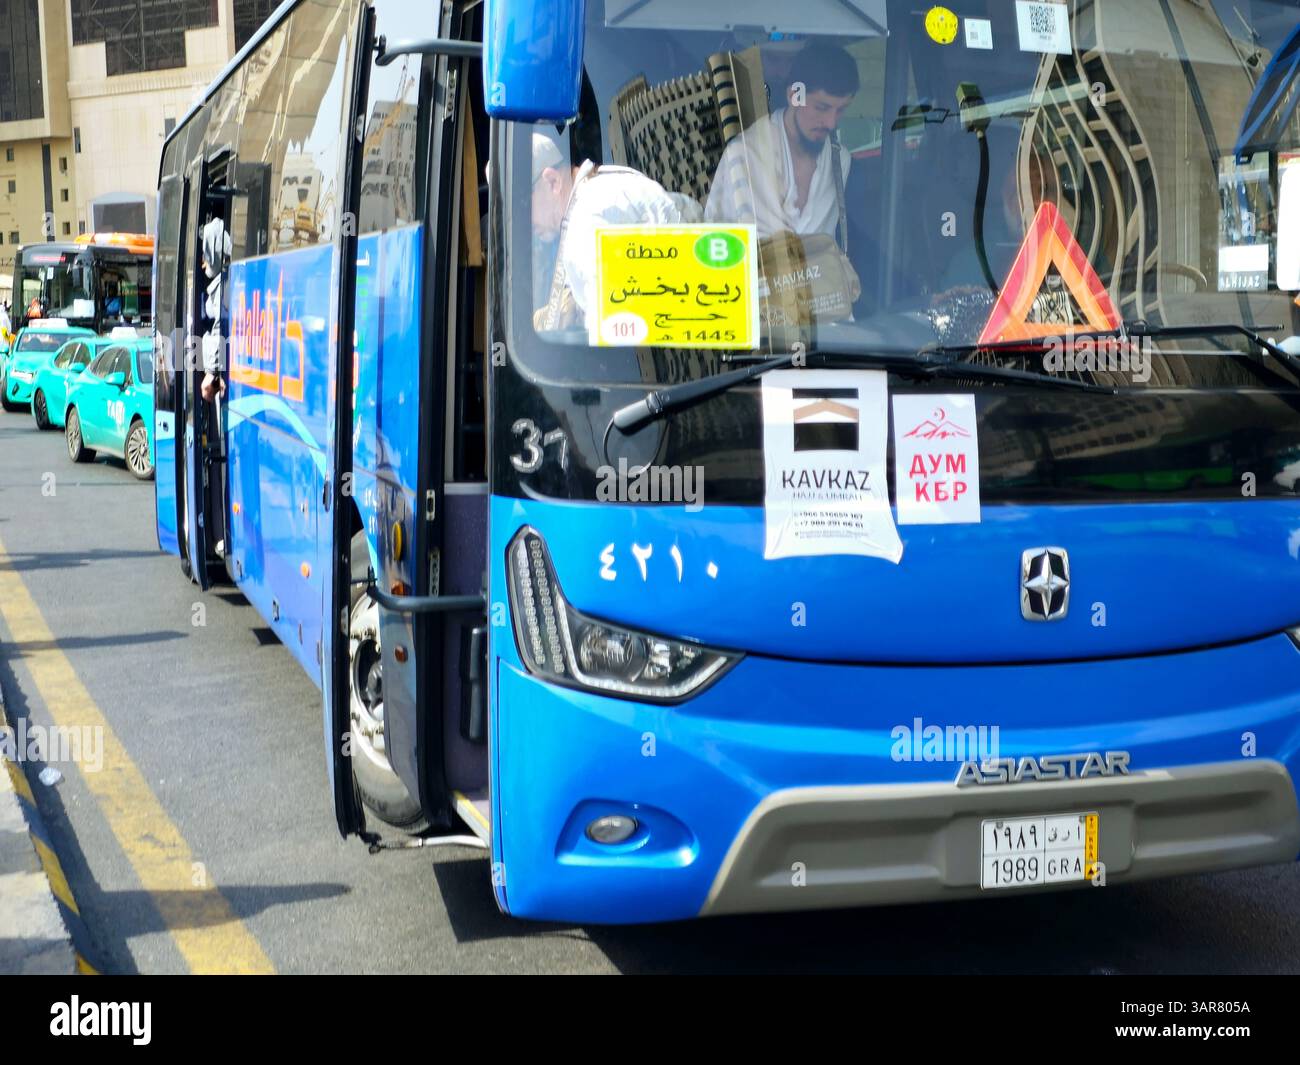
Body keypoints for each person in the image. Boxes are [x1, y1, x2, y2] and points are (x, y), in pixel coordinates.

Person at [532, 123, 702, 332]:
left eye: (525, 207)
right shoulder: (602, 187)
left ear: (552, 182)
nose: (527, 226)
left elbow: (608, 333)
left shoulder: (585, 222)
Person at [705, 41, 859, 244]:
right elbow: (715, 243)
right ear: (794, 95)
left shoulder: (840, 160)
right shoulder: (745, 154)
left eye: (840, 110)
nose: (831, 122)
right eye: (821, 108)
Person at [199, 215, 231, 402]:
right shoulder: (220, 283)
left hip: (216, 369)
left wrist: (211, 371)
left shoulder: (222, 286)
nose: (204, 260)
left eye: (207, 251)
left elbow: (220, 326)